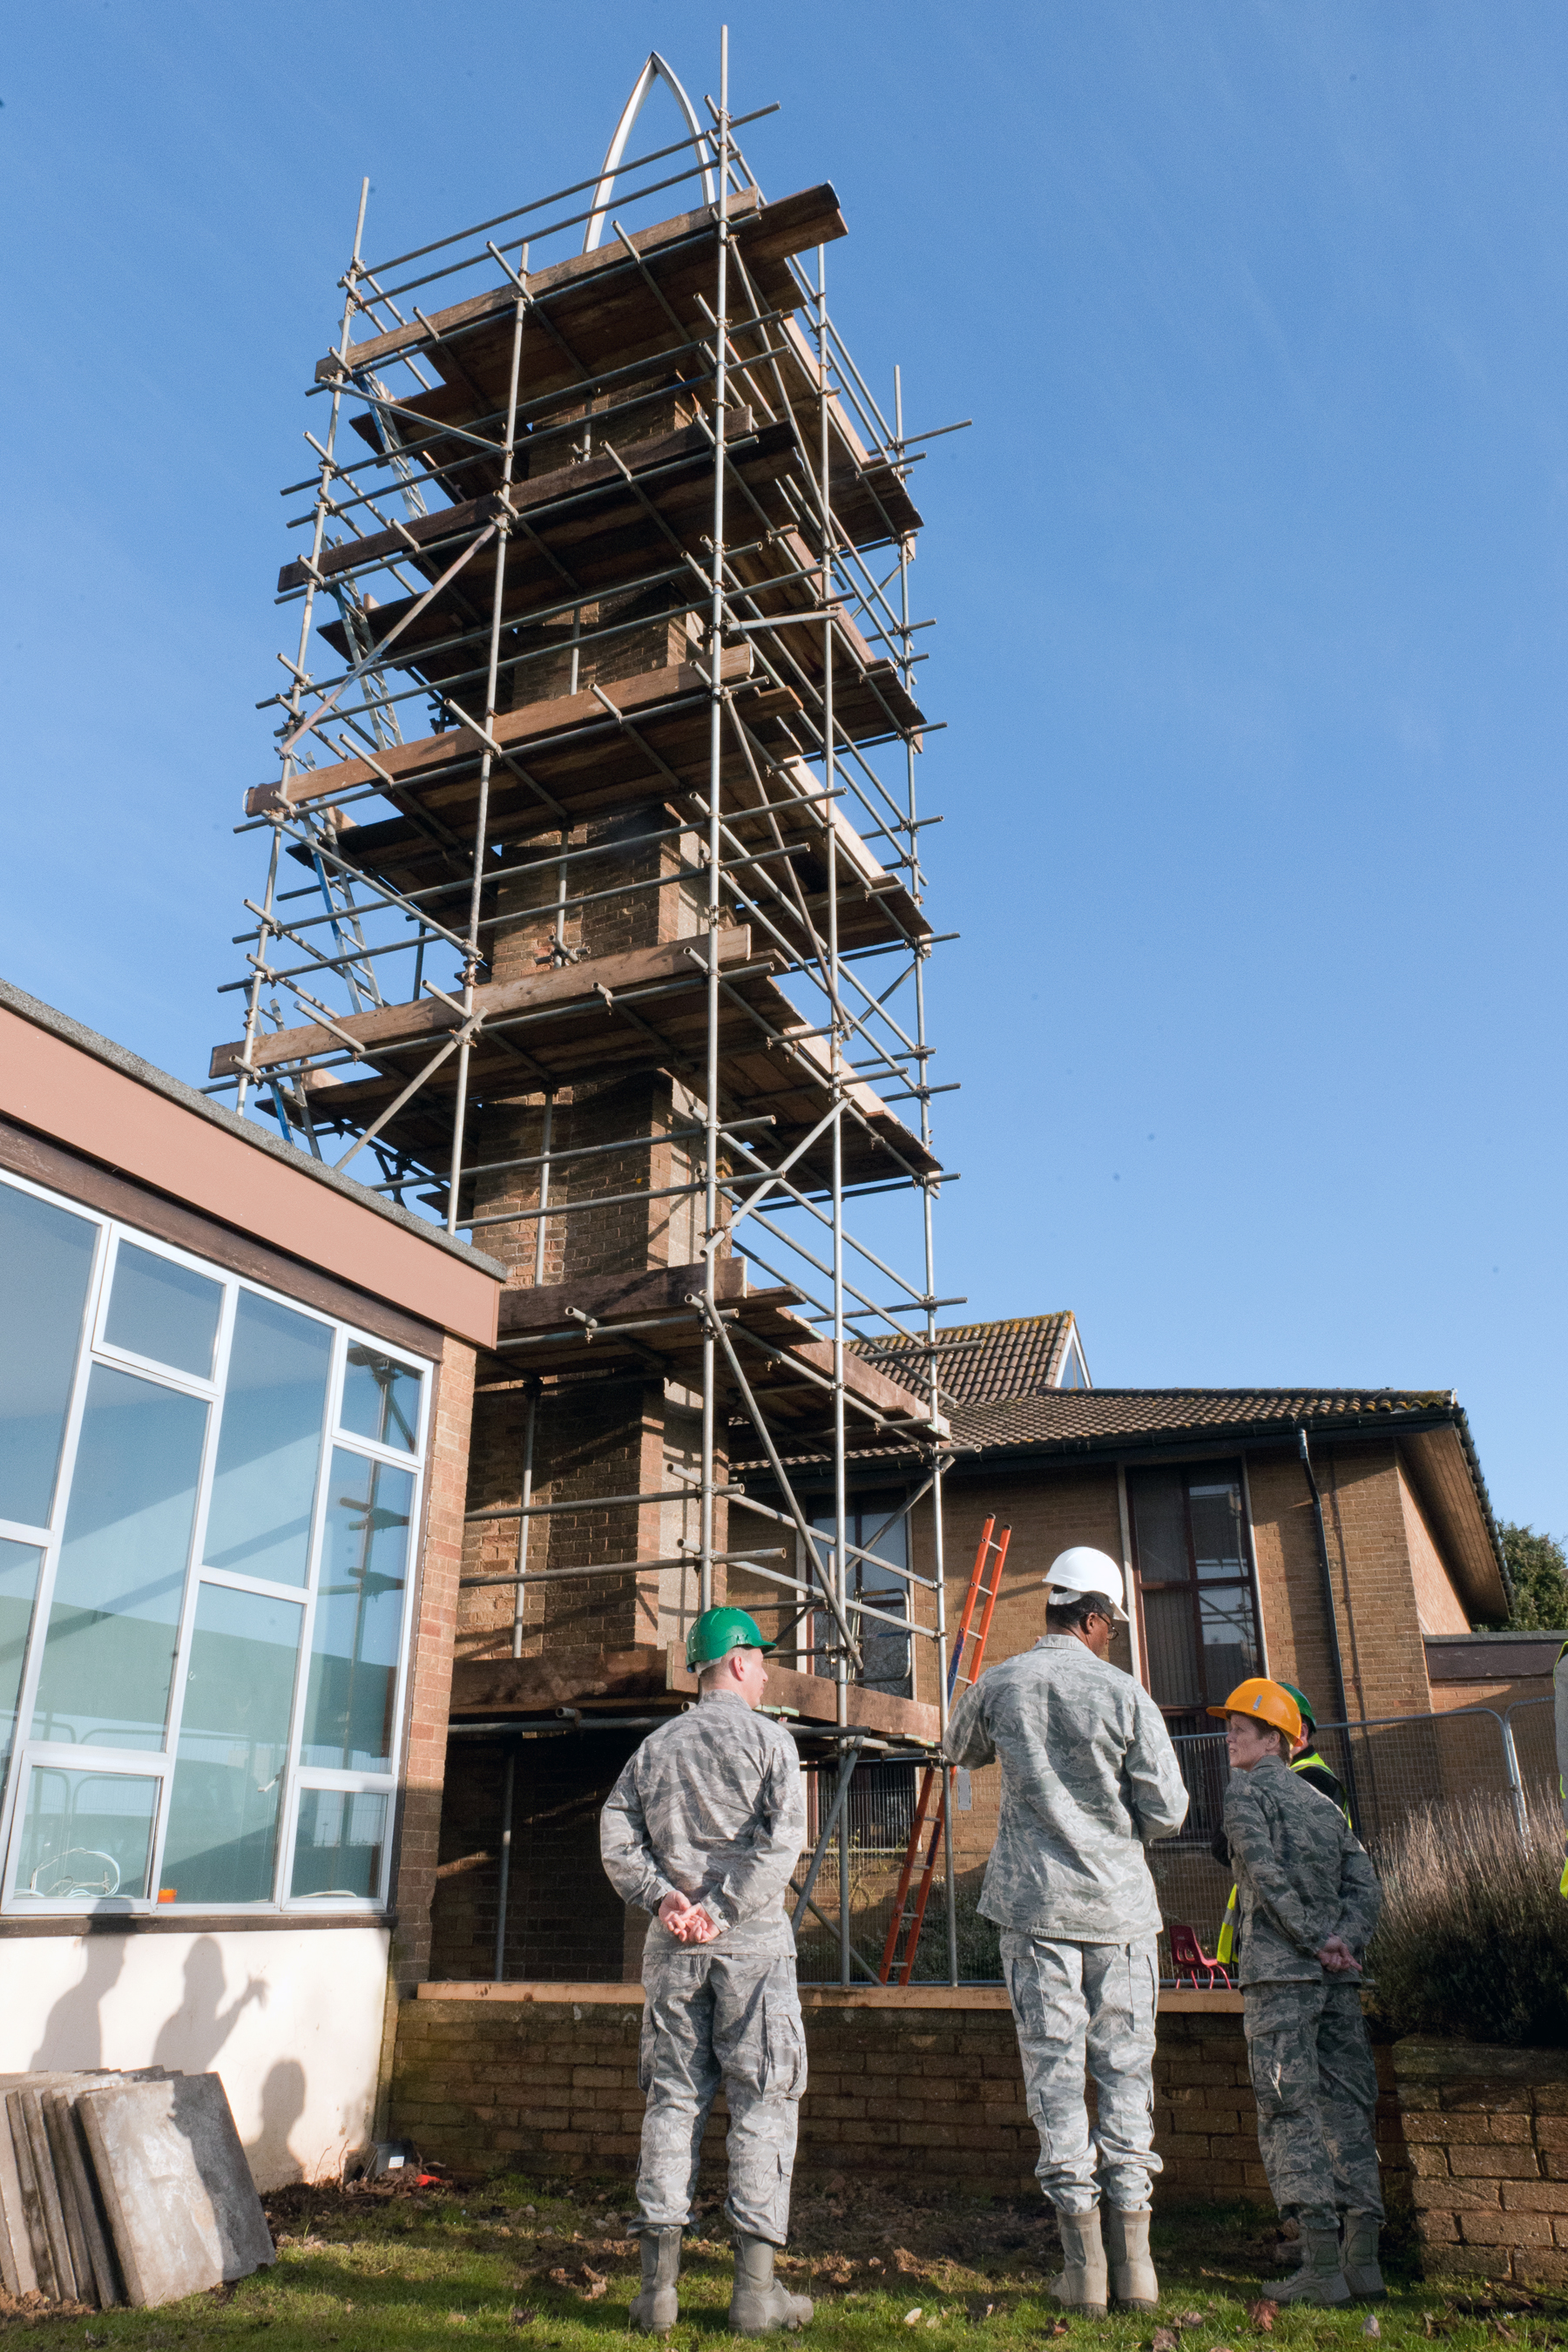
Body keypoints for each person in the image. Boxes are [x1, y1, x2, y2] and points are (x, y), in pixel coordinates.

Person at [946, 1544, 1189, 2317]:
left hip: (1035, 1914)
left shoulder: (1003, 1683)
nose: (1110, 1635)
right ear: (1091, 1616)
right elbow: (1168, 1811)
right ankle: (1139, 2271)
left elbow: (956, 1749)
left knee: (1055, 2083)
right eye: (1109, 1623)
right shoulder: (1126, 1696)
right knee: (1125, 2078)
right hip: (1119, 1917)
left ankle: (1083, 2272)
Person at [599, 1605, 813, 2338]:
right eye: (763, 1660)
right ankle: (755, 2296)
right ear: (743, 1661)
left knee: (673, 2102)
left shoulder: (655, 1748)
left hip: (673, 1956)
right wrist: (720, 1914)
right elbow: (782, 1848)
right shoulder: (772, 1743)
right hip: (753, 1951)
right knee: (762, 2104)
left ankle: (656, 2296)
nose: (765, 1672)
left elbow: (617, 1834)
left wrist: (666, 1902)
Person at [1213, 1678, 1383, 2307]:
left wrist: (1315, 1940)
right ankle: (1363, 2263)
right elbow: (1366, 1885)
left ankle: (1318, 2266)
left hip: (1282, 1981)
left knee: (1291, 2115)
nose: (1228, 1737)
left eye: (1240, 1728)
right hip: (1337, 1981)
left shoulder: (1246, 1795)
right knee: (1348, 2112)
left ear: (1275, 1741)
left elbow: (1264, 1876)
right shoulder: (1324, 1805)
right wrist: (1344, 1943)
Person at [1213, 1681, 1348, 1964]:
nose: (1231, 1738)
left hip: (1297, 1948)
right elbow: (1222, 1846)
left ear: (1299, 1733)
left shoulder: (1315, 1780)